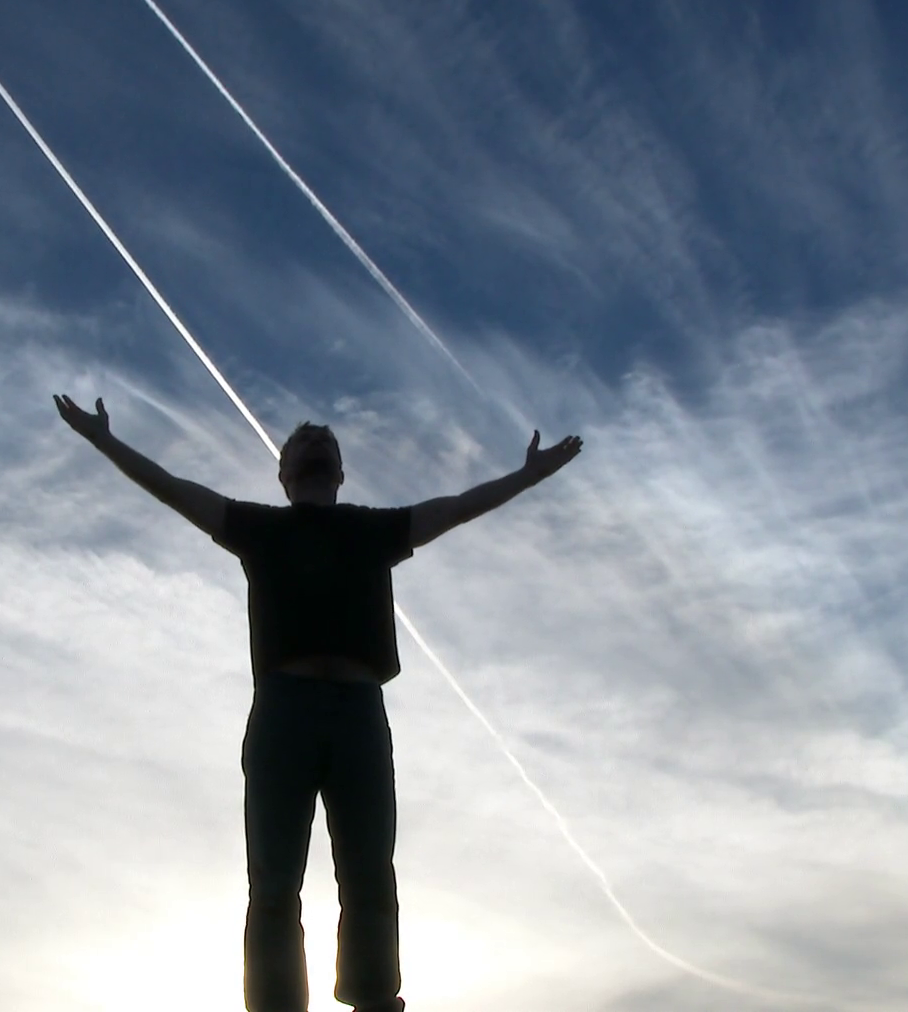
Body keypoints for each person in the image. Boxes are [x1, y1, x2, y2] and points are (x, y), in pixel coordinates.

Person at [52, 393, 583, 1012]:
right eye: (303, 445)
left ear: (338, 472)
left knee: (369, 875)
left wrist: (527, 476)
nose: (314, 449)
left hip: (359, 711)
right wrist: (104, 441)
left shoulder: (369, 528)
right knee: (274, 882)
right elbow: (172, 488)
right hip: (284, 711)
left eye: (325, 446)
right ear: (283, 474)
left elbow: (457, 509)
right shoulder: (260, 528)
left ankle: (375, 998)